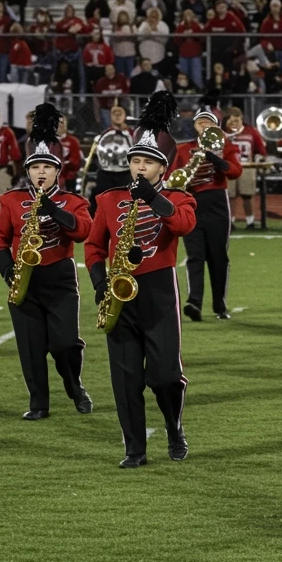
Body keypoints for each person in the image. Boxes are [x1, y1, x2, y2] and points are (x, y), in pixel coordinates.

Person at [84, 92, 198, 467]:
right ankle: (134, 448)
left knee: (165, 375)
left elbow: (182, 225)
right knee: (125, 377)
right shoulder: (107, 199)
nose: (139, 168)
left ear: (161, 169)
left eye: (147, 162)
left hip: (159, 291)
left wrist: (153, 198)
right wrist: (101, 283)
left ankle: (173, 426)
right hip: (119, 293)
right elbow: (93, 246)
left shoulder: (178, 197)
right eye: (135, 161)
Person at [0, 104, 94, 420]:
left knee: (65, 344)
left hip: (59, 278)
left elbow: (83, 232)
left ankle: (74, 385)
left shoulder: (74, 202)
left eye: (47, 167)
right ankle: (38, 403)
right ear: (27, 171)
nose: (40, 172)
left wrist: (53, 210)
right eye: (35, 167)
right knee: (30, 347)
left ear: (57, 171)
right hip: (23, 278)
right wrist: (7, 268)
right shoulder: (11, 201)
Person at [170, 104, 243, 322]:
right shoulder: (184, 149)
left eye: (208, 122)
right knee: (195, 255)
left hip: (217, 203)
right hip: (191, 203)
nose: (204, 125)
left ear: (216, 126)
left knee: (218, 256)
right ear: (194, 126)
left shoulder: (227, 146)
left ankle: (220, 304)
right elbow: (174, 178)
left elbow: (235, 171)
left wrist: (215, 157)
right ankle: (194, 302)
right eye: (200, 122)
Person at [223, 106, 267, 229]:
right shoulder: (222, 133)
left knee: (247, 195)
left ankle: (250, 220)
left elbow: (261, 150)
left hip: (247, 167)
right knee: (230, 195)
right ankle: (230, 221)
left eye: (237, 121)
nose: (235, 124)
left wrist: (259, 157)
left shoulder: (251, 131)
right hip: (229, 168)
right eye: (232, 121)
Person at [87, 104, 135, 210]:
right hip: (106, 172)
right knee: (98, 197)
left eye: (120, 113)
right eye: (114, 113)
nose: (117, 116)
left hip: (126, 173)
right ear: (110, 116)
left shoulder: (133, 135)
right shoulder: (104, 134)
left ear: (125, 116)